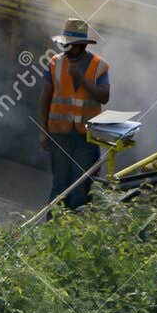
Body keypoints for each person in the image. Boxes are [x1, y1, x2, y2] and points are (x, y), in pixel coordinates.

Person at [37, 18, 110, 210]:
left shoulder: (99, 66)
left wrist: (81, 79)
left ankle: (74, 235)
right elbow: (44, 99)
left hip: (86, 139)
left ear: (83, 45)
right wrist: (43, 131)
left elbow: (104, 96)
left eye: (70, 45)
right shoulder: (55, 63)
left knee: (80, 188)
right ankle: (52, 231)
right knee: (59, 186)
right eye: (64, 45)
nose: (66, 49)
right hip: (59, 136)